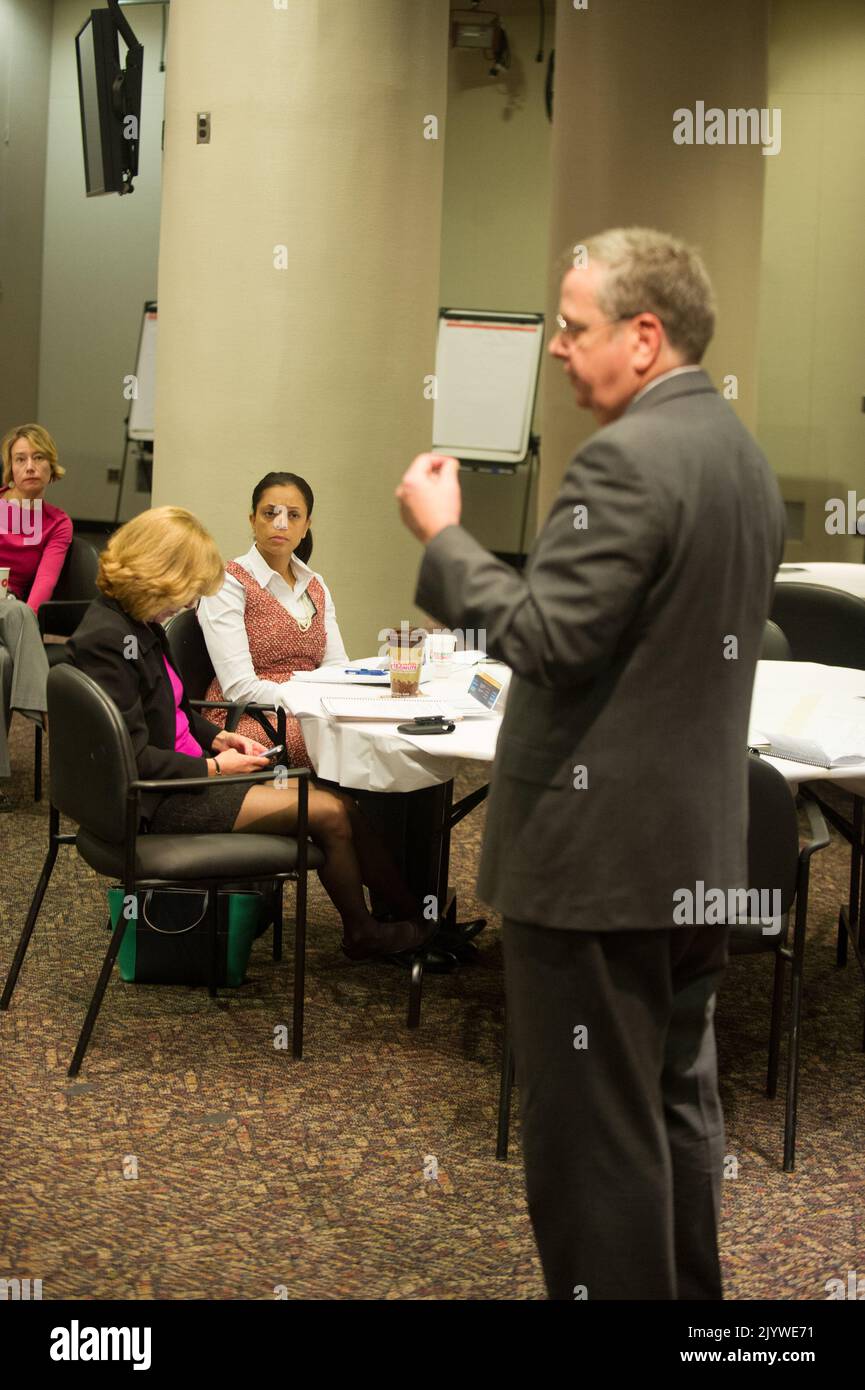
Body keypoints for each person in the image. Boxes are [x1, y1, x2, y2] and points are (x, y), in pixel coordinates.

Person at [396, 227, 786, 1300]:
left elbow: (548, 639)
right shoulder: (740, 456)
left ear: (645, 336)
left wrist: (442, 539)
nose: (558, 349)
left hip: (595, 869)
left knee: (593, 1156)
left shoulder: (624, 458)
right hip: (690, 858)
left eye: (573, 329)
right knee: (671, 1120)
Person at [66, 506, 434, 962]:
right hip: (160, 797)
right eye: (184, 591)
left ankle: (415, 922)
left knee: (342, 808)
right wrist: (214, 766)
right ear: (155, 574)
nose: (187, 604)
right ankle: (374, 930)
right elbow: (132, 757)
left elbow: (174, 709)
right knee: (330, 812)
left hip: (187, 774)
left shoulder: (134, 624)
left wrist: (216, 737)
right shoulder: (108, 640)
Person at [197, 472, 346, 766]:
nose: (281, 523)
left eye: (293, 515)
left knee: (369, 732)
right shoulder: (228, 582)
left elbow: (336, 665)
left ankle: (352, 810)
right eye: (270, 513)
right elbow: (239, 687)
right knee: (334, 739)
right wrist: (308, 702)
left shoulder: (315, 584)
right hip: (244, 715)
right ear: (253, 520)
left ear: (306, 526)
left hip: (306, 709)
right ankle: (331, 809)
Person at [0, 423, 72, 811]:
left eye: (38, 457)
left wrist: (17, 617)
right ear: (9, 469)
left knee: (2, 661)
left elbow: (43, 586)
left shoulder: (57, 523)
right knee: (14, 612)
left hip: (12, 619)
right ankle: (49, 712)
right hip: (7, 610)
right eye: (20, 459)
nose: (29, 466)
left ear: (51, 467)